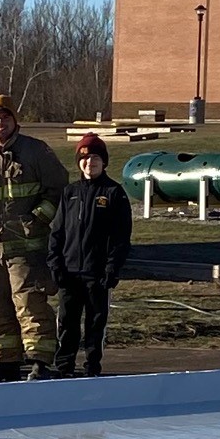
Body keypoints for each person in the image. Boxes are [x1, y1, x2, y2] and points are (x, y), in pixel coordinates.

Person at [0, 89, 67, 378]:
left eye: (4, 118)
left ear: (14, 121)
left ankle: (40, 361)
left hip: (26, 246)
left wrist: (36, 220)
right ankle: (3, 361)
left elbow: (57, 190)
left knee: (30, 304)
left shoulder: (36, 151)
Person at [52, 131, 133, 375]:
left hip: (97, 274)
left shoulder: (114, 193)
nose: (90, 163)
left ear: (104, 162)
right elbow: (57, 232)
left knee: (95, 322)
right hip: (69, 272)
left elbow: (121, 237)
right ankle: (64, 364)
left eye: (95, 158)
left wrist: (112, 269)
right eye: (85, 159)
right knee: (67, 322)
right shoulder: (70, 192)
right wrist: (55, 265)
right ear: (79, 162)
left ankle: (92, 365)